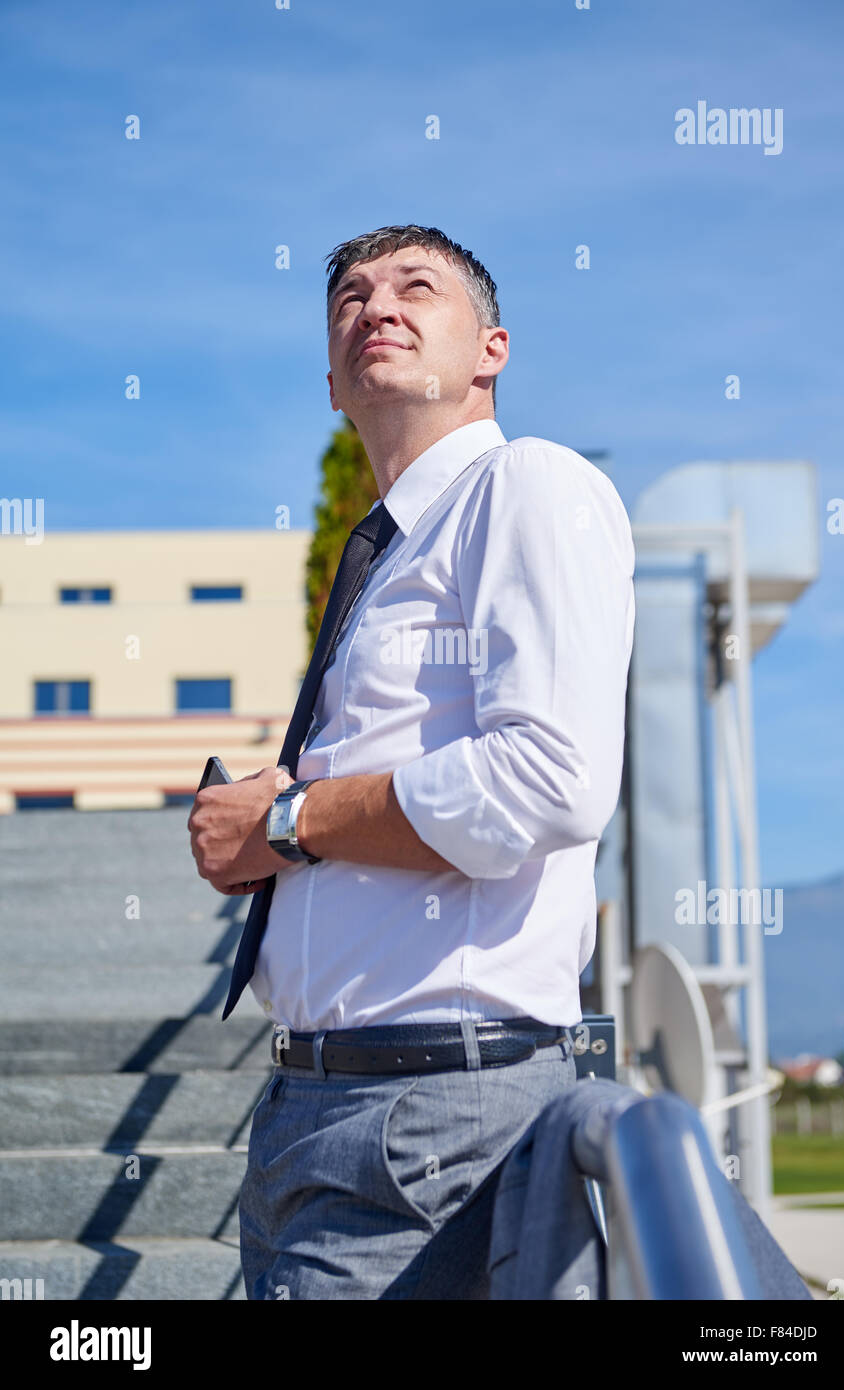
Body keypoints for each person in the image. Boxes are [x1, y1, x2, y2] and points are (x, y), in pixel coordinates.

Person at [188, 223, 635, 1299]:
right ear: (336, 388)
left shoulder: (526, 484)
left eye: (415, 287)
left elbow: (550, 776)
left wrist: (290, 825)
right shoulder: (392, 555)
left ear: (492, 350)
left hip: (432, 1115)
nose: (374, 305)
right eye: (349, 297)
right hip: (319, 1106)